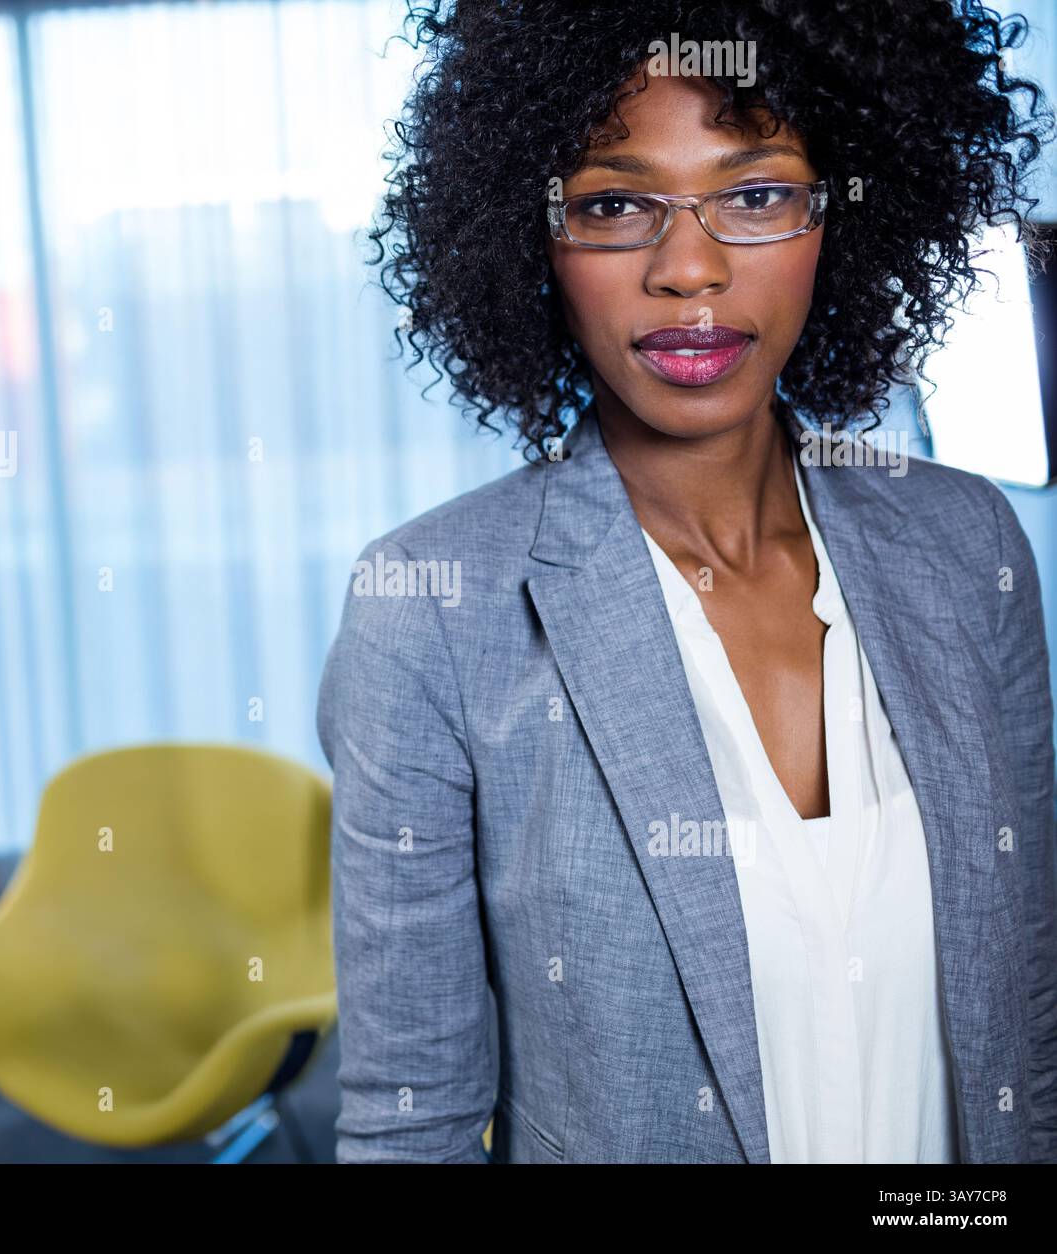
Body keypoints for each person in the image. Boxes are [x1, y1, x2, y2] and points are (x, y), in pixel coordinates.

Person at [316, 0, 1057, 1163]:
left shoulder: (969, 547)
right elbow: (411, 1118)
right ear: (535, 237)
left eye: (754, 193)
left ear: (841, 219)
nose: (690, 269)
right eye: (614, 204)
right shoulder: (430, 608)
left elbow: (1029, 1018)